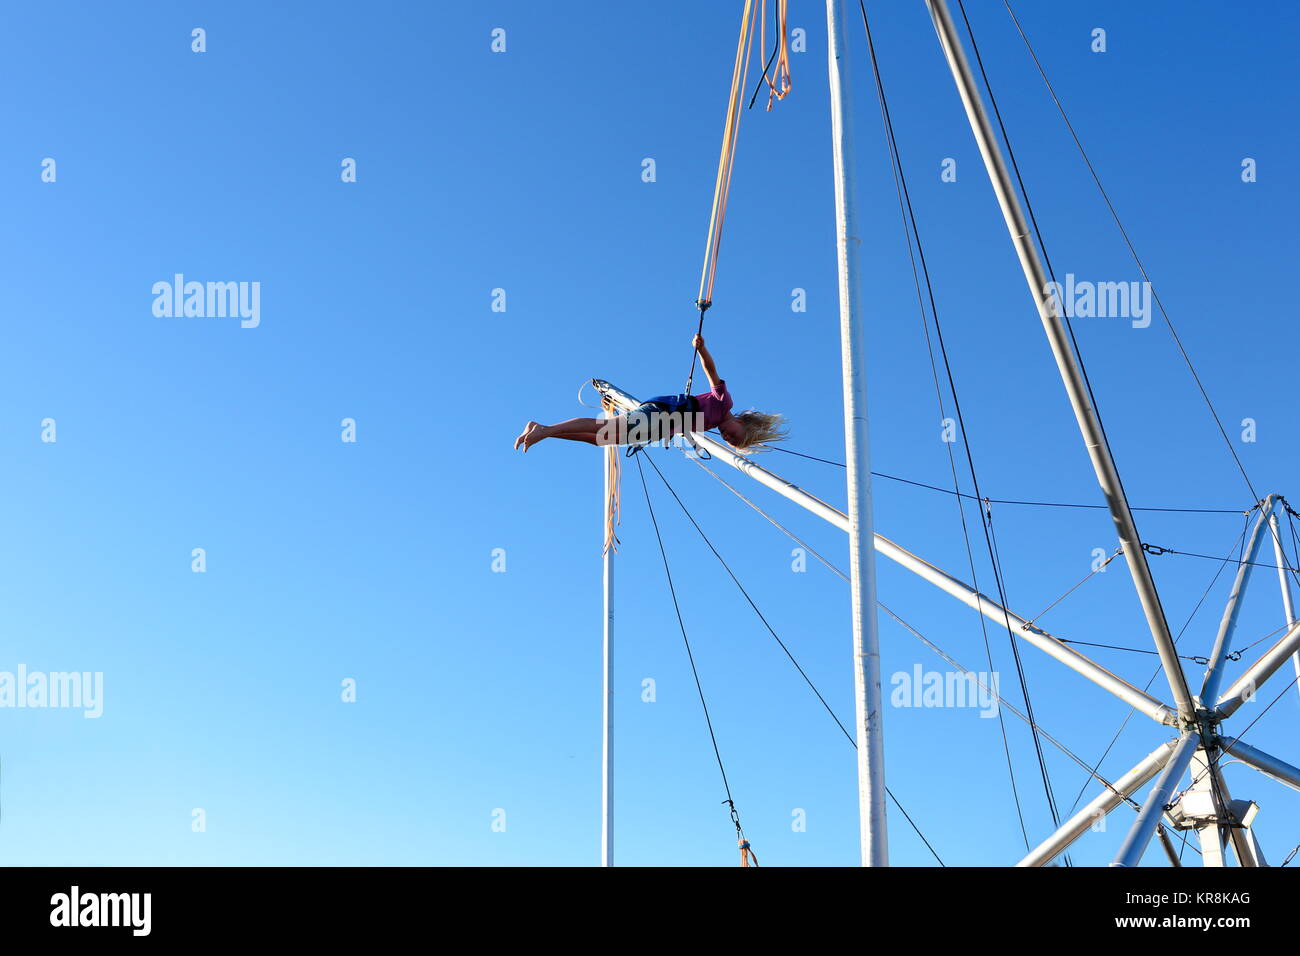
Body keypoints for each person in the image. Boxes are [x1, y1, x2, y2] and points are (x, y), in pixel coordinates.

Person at [513, 335, 786, 453]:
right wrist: (702, 349)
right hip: (660, 414)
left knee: (600, 440)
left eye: (730, 443)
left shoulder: (712, 424)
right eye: (734, 437)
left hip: (658, 428)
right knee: (604, 427)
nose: (727, 438)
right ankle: (544, 431)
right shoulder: (723, 403)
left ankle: (543, 430)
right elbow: (711, 371)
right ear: (742, 422)